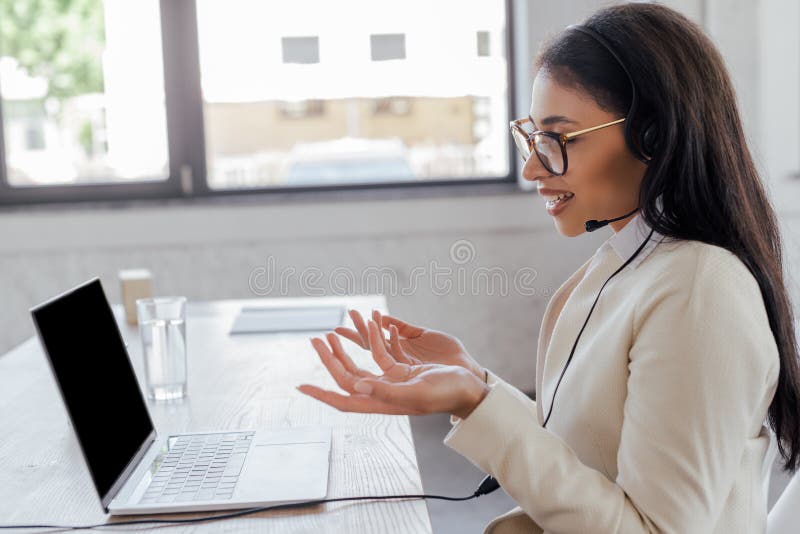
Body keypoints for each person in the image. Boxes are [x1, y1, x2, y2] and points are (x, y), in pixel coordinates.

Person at [297, 3, 800, 532]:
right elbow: (588, 450)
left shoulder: (699, 290)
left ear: (652, 137)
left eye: (558, 139)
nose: (533, 167)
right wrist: (475, 384)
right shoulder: (625, 268)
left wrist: (476, 400)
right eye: (533, 137)